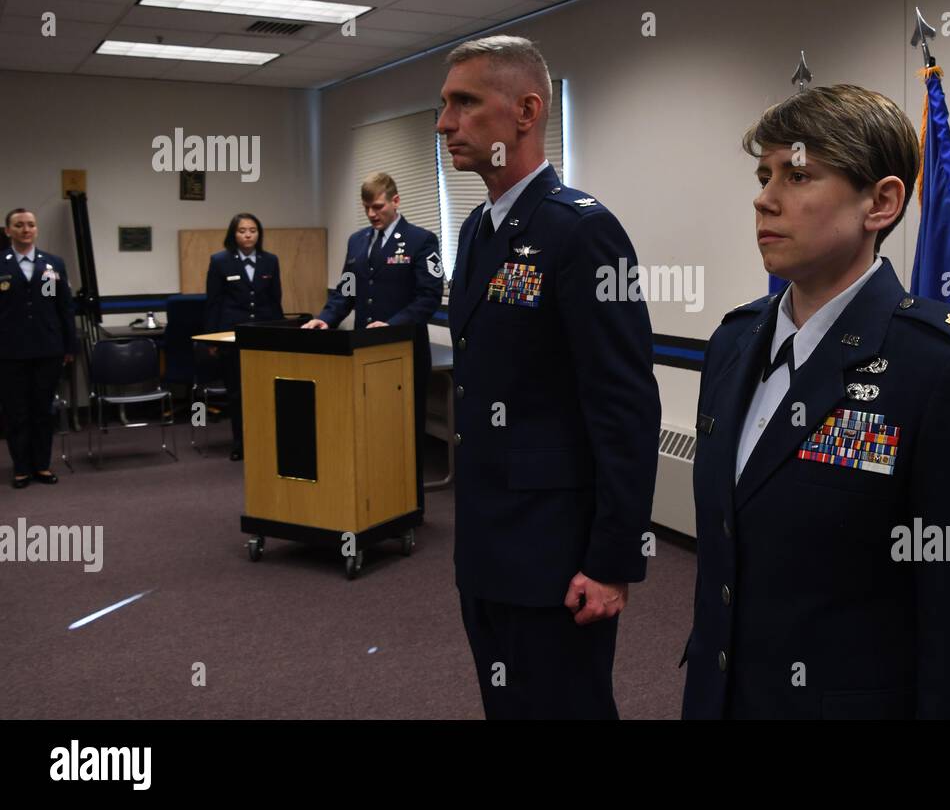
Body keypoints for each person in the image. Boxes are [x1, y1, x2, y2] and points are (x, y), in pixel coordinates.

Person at [681, 85, 950, 719]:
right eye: (764, 175)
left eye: (799, 174)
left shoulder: (949, 368)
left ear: (882, 202)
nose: (764, 197)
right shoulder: (733, 343)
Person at [439, 36, 660, 719]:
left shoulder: (582, 232)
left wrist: (612, 560)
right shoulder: (478, 229)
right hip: (487, 545)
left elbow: (624, 404)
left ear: (527, 110)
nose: (445, 122)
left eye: (465, 102)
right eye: (444, 105)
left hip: (557, 558)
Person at [303, 173, 442, 508]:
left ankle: (409, 507)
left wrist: (393, 325)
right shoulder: (357, 241)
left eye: (377, 206)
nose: (371, 214)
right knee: (369, 430)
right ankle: (374, 503)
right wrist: (326, 317)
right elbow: (347, 290)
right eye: (366, 207)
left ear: (395, 201)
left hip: (404, 352)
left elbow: (429, 296)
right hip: (363, 352)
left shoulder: (421, 240)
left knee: (404, 432)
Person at [0, 208, 76, 488]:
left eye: (30, 225)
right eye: (19, 225)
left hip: (48, 349)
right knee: (16, 411)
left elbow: (63, 307)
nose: (25, 229)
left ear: (36, 229)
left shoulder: (52, 264)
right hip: (9, 352)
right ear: (8, 231)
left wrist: (69, 345)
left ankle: (42, 465)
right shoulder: (1, 264)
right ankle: (21, 467)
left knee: (43, 410)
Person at [204, 213, 283, 460]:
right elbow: (213, 302)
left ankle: (267, 441)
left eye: (252, 230)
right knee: (237, 392)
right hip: (232, 334)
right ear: (233, 234)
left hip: (264, 334)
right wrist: (212, 338)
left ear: (259, 234)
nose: (248, 235)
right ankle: (240, 443)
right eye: (242, 231)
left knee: (265, 390)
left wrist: (281, 334)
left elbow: (275, 299)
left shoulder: (270, 261)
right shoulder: (219, 261)